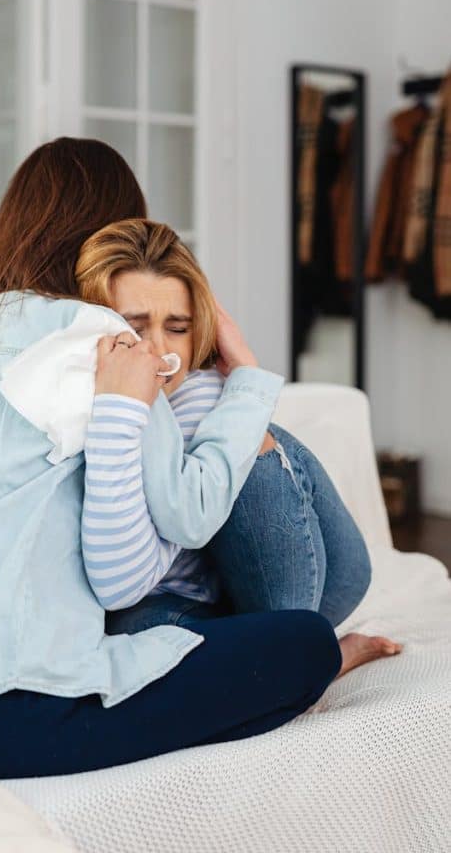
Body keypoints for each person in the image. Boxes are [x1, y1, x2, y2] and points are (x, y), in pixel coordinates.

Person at [0, 139, 387, 780]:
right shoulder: (103, 344)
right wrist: (248, 380)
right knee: (303, 646)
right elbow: (193, 512)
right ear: (112, 233)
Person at [75, 219, 400, 675]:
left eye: (178, 327)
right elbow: (131, 574)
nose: (160, 351)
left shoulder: (203, 391)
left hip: (287, 585)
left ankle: (295, 662)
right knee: (148, 647)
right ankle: (305, 662)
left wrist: (246, 373)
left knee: (258, 436)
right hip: (172, 605)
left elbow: (212, 509)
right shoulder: (88, 398)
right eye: (135, 326)